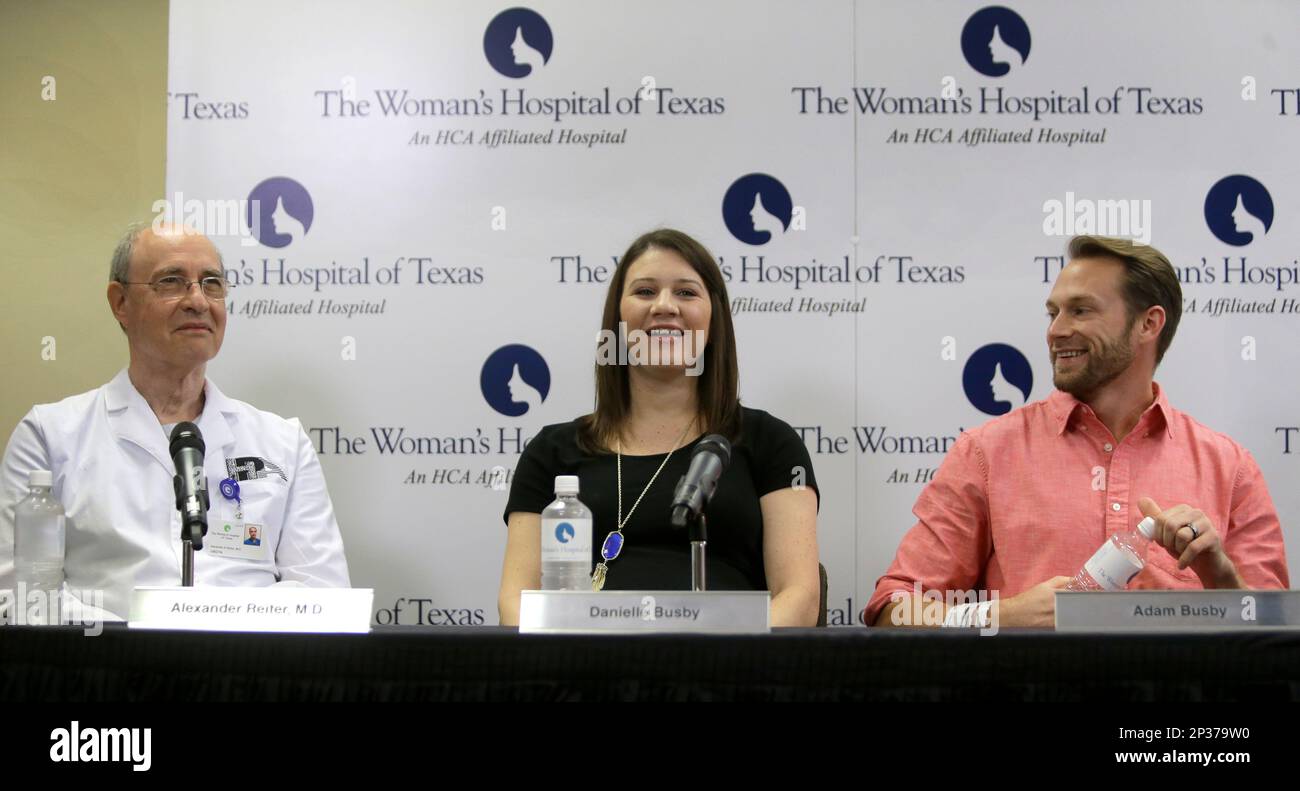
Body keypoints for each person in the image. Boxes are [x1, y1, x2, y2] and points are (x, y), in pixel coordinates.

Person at [867, 235, 1289, 628]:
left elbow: (1276, 634)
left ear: (1148, 324)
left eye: (1081, 310)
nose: (1055, 330)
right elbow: (894, 609)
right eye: (1053, 313)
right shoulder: (987, 453)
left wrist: (1220, 575)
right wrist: (1002, 615)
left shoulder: (1229, 467)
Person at [0, 223, 350, 620]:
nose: (198, 300)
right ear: (120, 303)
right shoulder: (50, 436)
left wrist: (217, 632)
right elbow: (20, 595)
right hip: (101, 672)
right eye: (171, 282)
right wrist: (142, 637)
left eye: (212, 283)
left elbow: (323, 592)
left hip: (248, 670)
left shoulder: (283, 443)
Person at [498, 229, 820, 626]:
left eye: (686, 292)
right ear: (617, 317)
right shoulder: (553, 452)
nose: (665, 306)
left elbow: (800, 599)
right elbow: (516, 603)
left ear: (714, 320)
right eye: (645, 291)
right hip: (587, 671)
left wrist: (729, 656)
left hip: (729, 674)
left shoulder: (770, 443)